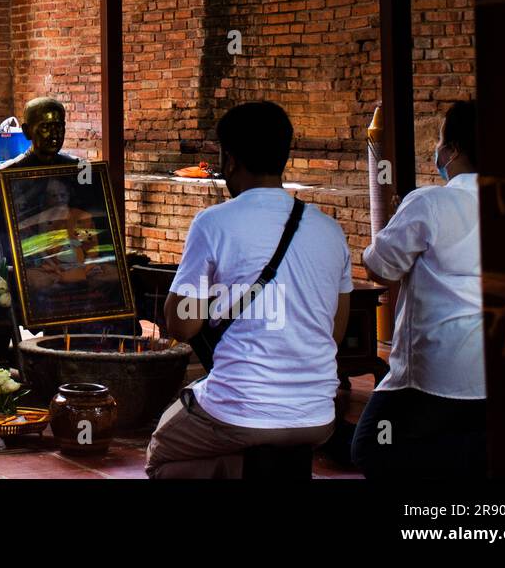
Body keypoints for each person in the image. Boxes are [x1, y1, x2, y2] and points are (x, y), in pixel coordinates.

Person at [146, 101, 352, 478]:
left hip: (238, 411)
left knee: (160, 456)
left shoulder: (213, 223)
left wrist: (215, 297)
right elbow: (334, 332)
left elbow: (181, 326)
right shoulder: (330, 230)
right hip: (318, 416)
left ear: (229, 161)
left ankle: (241, 469)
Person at [351, 101, 485, 479]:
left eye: (441, 141)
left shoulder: (431, 201)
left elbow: (379, 267)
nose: (437, 151)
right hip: (494, 369)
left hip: (433, 370)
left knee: (370, 449)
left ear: (454, 149)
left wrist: (397, 221)